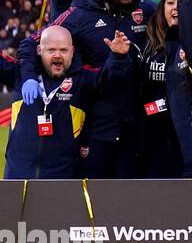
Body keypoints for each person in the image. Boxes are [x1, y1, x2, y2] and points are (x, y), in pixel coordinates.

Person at [20, 0, 155, 178]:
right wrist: (28, 77)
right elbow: (31, 43)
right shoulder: (78, 15)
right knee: (93, 199)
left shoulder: (145, 9)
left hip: (137, 126)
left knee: (133, 201)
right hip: (95, 128)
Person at [5, 25, 132, 179]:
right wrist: (28, 75)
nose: (58, 55)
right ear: (39, 51)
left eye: (63, 50)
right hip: (17, 178)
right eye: (51, 50)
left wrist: (118, 57)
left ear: (72, 52)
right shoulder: (21, 75)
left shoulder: (84, 79)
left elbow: (112, 80)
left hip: (63, 181)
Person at [135, 0, 192, 178]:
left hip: (191, 135)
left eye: (181, 2)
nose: (176, 7)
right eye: (171, 2)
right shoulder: (152, 42)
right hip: (155, 139)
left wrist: (188, 9)